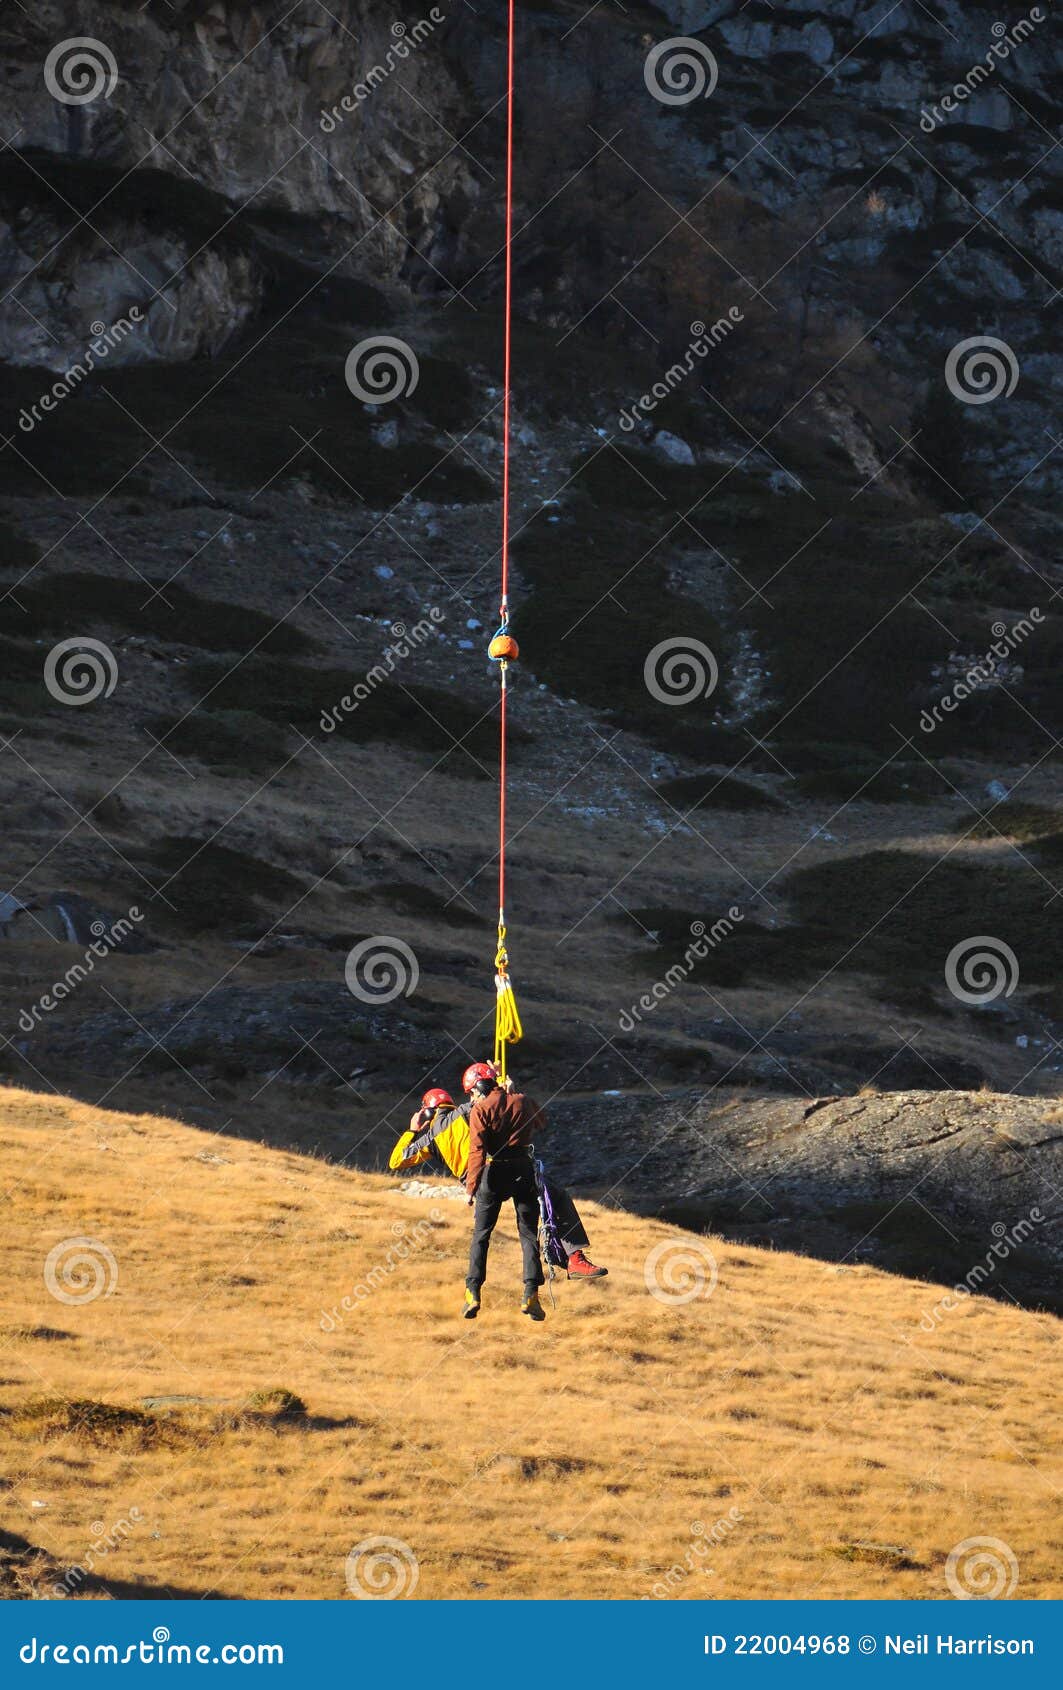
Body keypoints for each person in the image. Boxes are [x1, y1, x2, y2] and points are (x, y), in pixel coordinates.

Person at [389, 1065, 607, 1297]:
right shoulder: (467, 1109)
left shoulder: (430, 1138)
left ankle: (473, 1290)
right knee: (551, 1200)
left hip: (482, 1185)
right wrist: (499, 1078)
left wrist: (413, 1130)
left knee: (482, 1235)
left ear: (429, 1113)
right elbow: (494, 1099)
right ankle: (572, 1260)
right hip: (505, 1168)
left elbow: (396, 1161)